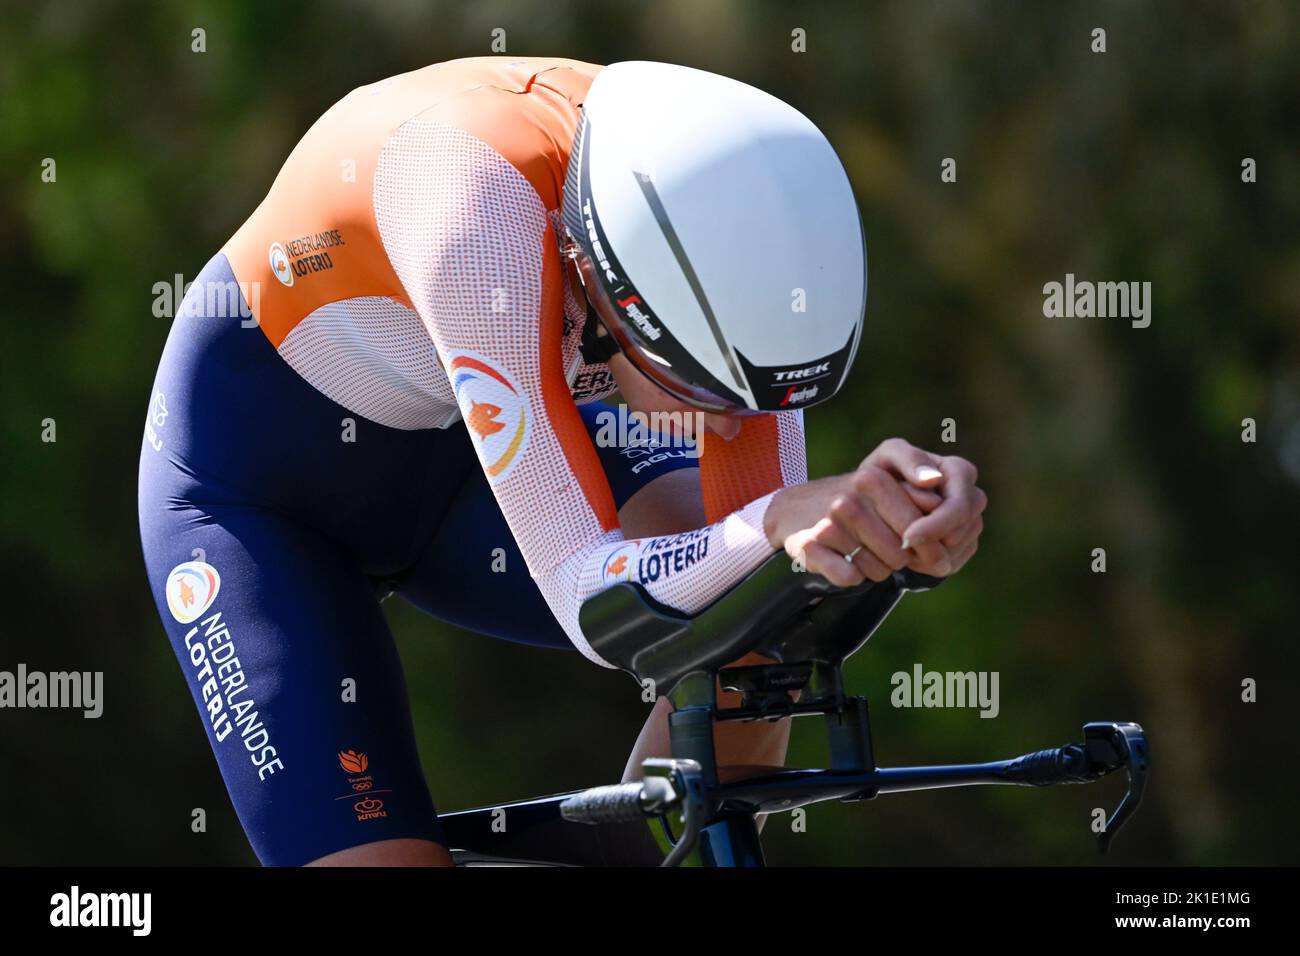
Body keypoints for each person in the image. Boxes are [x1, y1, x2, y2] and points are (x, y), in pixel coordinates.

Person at [138, 56, 986, 867]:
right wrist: (774, 525)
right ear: (610, 286)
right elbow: (594, 600)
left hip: (468, 439)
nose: (725, 421)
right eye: (701, 382)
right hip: (259, 491)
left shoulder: (709, 204)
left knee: (760, 635)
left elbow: (778, 587)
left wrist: (882, 531)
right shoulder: (475, 212)